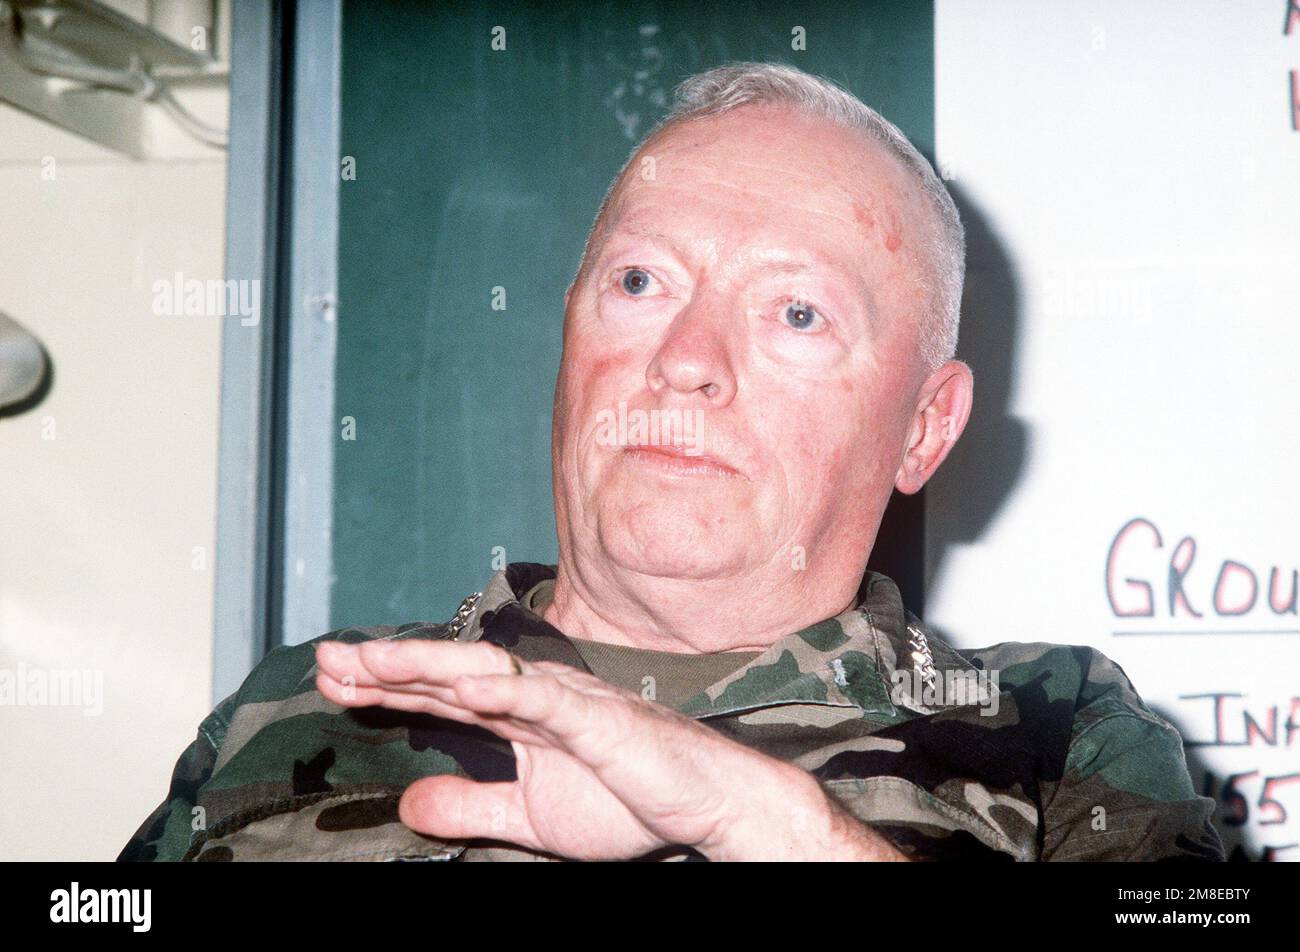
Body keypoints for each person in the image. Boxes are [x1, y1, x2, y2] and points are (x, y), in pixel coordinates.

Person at [119, 62, 1223, 862]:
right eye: (640, 284)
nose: (686, 362)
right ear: (567, 338)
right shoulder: (301, 710)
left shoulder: (1060, 734)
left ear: (923, 428)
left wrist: (782, 834)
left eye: (796, 312)